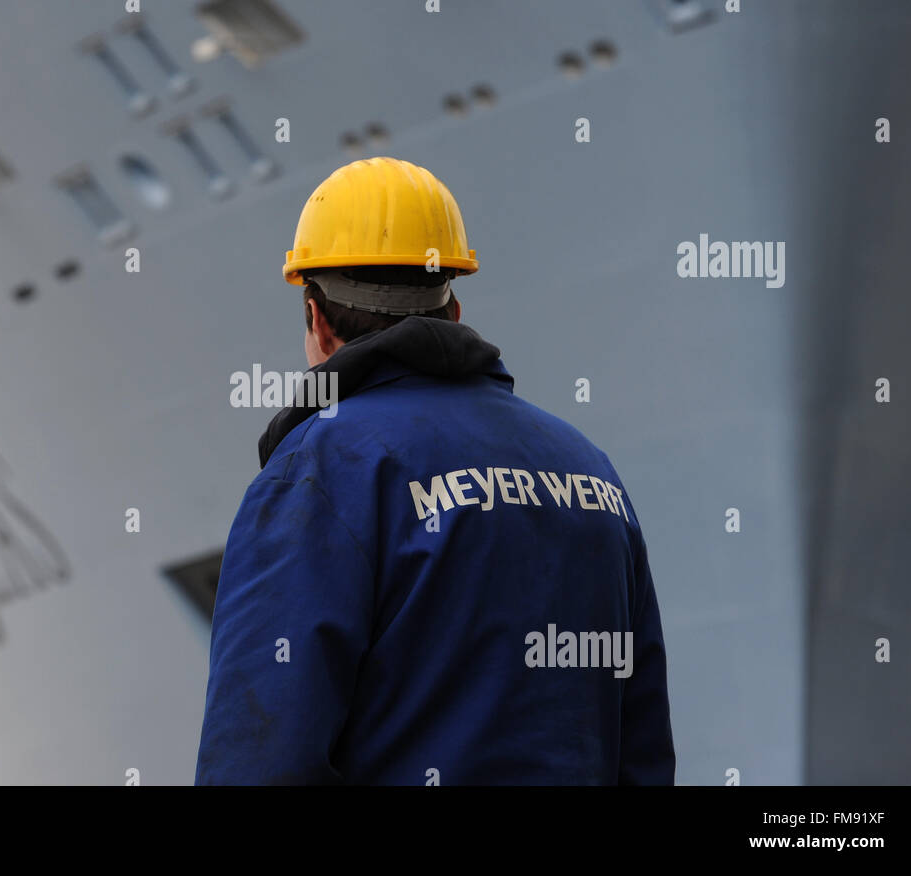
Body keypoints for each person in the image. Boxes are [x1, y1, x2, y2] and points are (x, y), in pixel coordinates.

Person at [196, 157, 674, 785]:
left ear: (315, 318)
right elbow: (643, 753)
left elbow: (260, 757)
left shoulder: (320, 473)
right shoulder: (589, 472)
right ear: (452, 308)